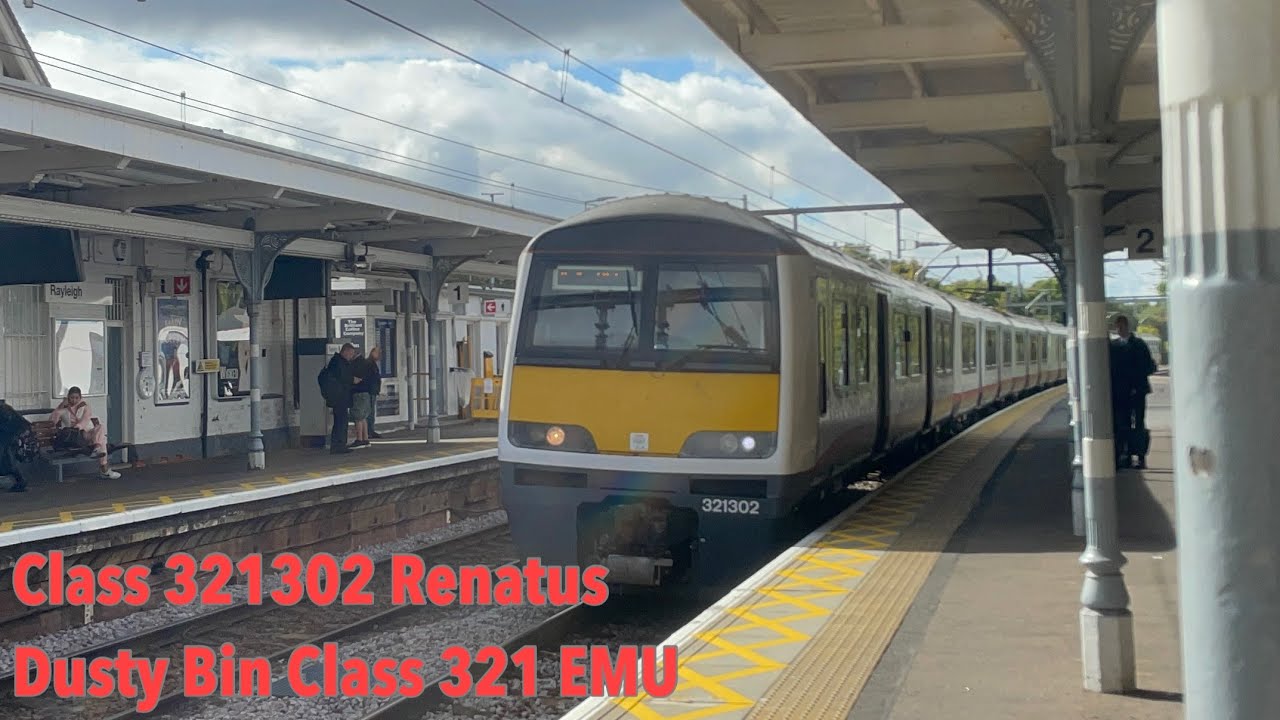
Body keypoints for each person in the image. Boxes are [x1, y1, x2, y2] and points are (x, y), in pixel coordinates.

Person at [1113, 314, 1158, 468]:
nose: (1119, 329)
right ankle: (1124, 455)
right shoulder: (1114, 346)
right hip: (1121, 393)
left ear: (1127, 327)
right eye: (1117, 327)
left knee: (1138, 424)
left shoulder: (1139, 345)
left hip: (1137, 391)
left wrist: (1135, 381)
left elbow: (1148, 366)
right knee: (1122, 424)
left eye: (1121, 326)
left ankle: (1139, 456)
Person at [49, 387, 121, 479]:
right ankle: (104, 468)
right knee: (102, 440)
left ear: (80, 397)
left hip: (88, 434)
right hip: (75, 438)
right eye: (72, 397)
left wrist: (78, 426)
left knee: (100, 428)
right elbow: (52, 420)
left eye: (76, 398)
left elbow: (85, 419)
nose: (74, 400)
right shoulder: (64, 410)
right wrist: (61, 405)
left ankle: (97, 447)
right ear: (68, 397)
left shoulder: (85, 407)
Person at [319, 343, 358, 454]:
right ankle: (338, 445)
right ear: (345, 351)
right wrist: (352, 379)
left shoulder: (336, 361)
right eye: (350, 354)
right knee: (341, 421)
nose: (351, 356)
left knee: (341, 421)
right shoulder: (338, 362)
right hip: (339, 397)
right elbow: (343, 377)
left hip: (339, 397)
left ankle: (339, 444)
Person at [1108, 330, 1133, 469]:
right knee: (1125, 425)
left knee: (1116, 427)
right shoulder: (1125, 349)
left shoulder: (1109, 351)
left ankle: (1118, 457)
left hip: (1112, 396)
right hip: (1126, 394)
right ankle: (1127, 455)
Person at [348, 348, 380, 449]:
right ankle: (365, 439)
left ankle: (359, 440)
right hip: (366, 393)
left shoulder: (357, 364)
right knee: (363, 417)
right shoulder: (367, 363)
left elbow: (354, 379)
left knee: (358, 417)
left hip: (359, 393)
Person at [0, 400, 34, 492]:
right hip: (13, 434)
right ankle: (21, 481)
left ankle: (21, 481)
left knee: (6, 459)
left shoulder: (3, 409)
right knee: (7, 459)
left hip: (11, 435)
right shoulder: (4, 407)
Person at [363, 347, 383, 440]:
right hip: (370, 391)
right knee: (369, 412)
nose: (379, 356)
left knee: (371, 412)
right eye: (378, 353)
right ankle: (369, 431)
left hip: (372, 391)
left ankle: (370, 430)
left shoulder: (372, 363)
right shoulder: (369, 363)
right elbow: (370, 378)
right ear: (372, 353)